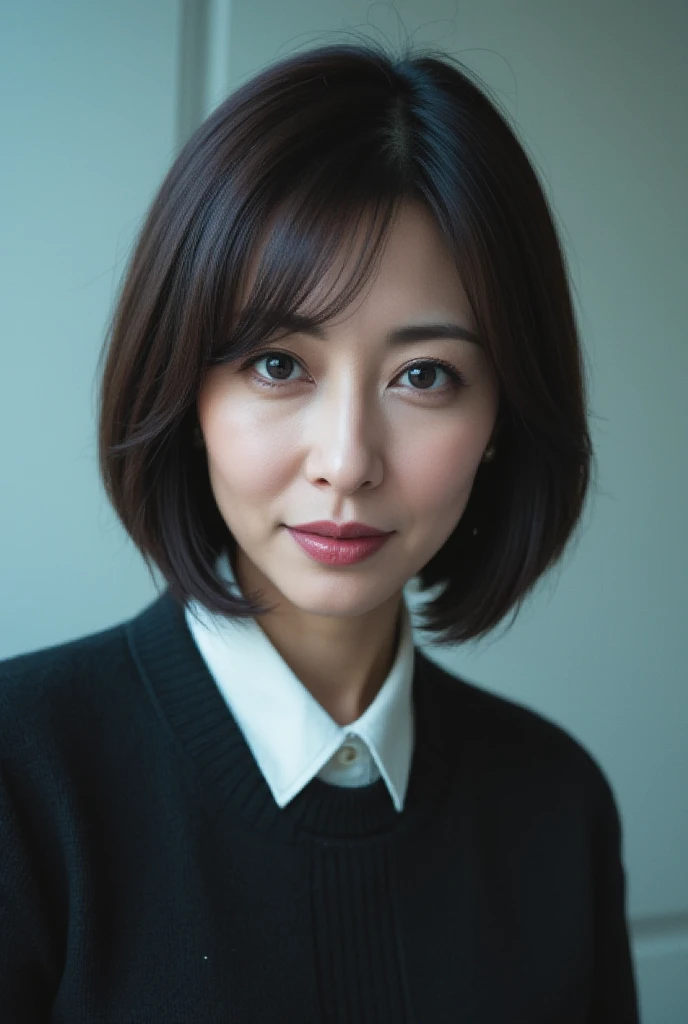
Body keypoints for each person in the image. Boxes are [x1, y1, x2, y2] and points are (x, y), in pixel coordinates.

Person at [0, 40, 640, 1023]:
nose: (346, 460)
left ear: (502, 421)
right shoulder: (25, 775)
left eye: (423, 375)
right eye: (277, 364)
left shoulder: (555, 804)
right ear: (185, 388)